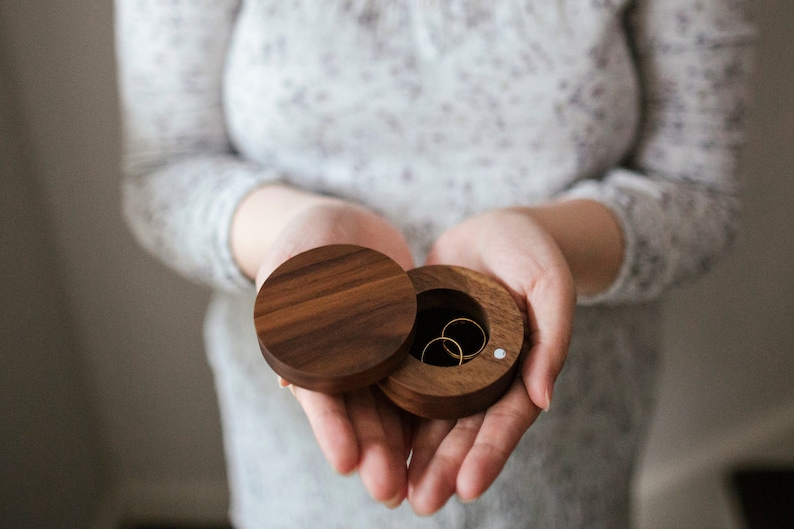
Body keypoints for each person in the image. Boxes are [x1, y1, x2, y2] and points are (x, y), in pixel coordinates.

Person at [115, 1, 754, 527]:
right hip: (298, 440)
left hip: (565, 434)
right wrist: (300, 240)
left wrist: (544, 237)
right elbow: (167, 172)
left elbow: (697, 193)